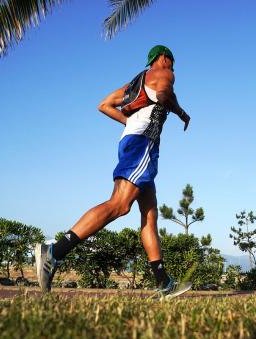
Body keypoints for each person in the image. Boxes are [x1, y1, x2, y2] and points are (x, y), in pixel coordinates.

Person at [35, 45, 191, 298]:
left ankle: (164, 283)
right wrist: (169, 104)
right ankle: (54, 252)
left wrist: (135, 120)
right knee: (120, 204)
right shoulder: (164, 73)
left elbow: (104, 105)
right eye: (172, 61)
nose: (173, 67)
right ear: (162, 58)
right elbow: (165, 93)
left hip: (136, 142)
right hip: (143, 143)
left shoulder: (134, 84)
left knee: (149, 215)